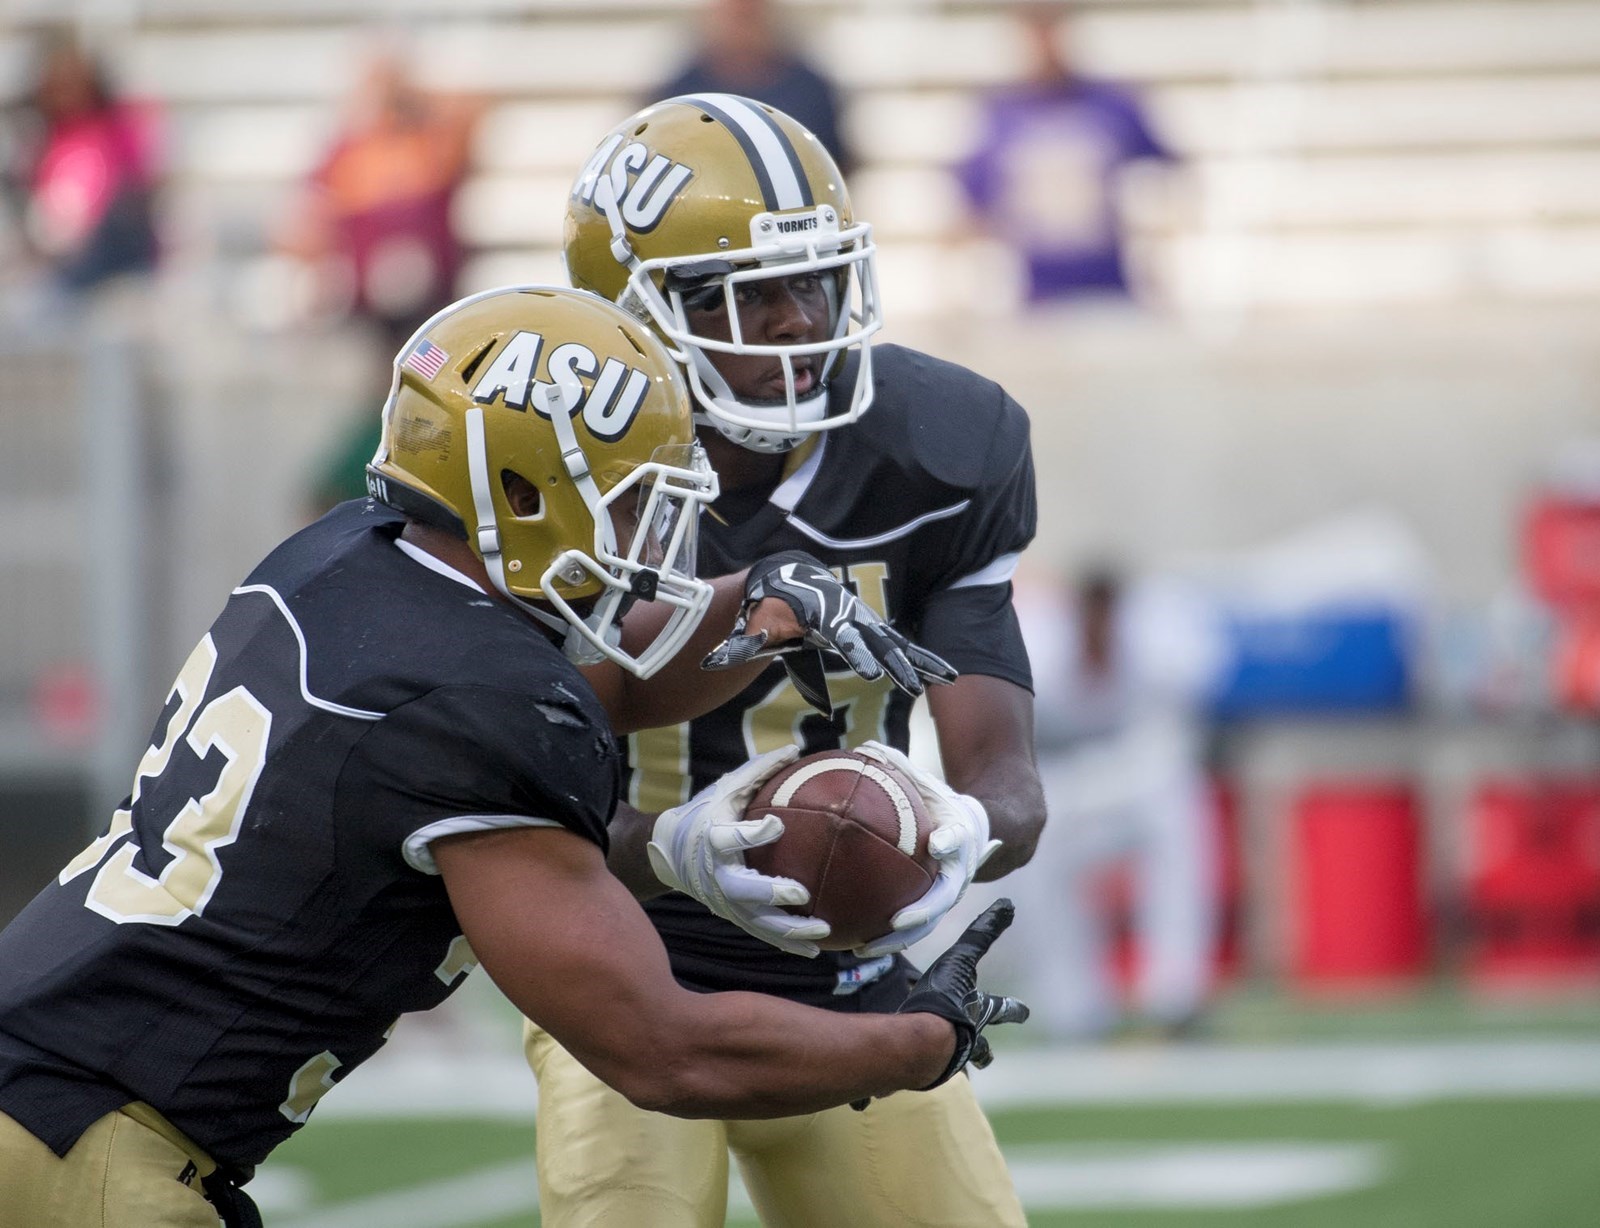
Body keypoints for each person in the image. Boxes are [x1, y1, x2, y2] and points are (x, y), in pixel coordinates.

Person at [0, 285, 1028, 1227]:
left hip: (46, 1077)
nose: (657, 538)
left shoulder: (342, 555)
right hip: (88, 1148)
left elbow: (607, 667)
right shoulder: (484, 704)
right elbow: (661, 1049)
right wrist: (919, 1038)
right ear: (525, 494)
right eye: (634, 499)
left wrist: (768, 599)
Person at [526, 94, 1046, 1227]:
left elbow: (1007, 780)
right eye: (749, 294)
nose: (797, 321)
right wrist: (672, 852)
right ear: (637, 312)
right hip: (622, 969)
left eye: (814, 280)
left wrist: (955, 831)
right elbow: (516, 804)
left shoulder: (940, 448)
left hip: (848, 973)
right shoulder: (553, 471)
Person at [1013, 563, 1229, 1040]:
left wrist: (1130, 652)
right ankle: (1073, 1008)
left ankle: (1176, 995)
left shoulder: (1162, 626)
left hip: (1139, 767)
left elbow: (1198, 690)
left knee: (1181, 814)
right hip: (1061, 773)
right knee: (1034, 856)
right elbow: (1018, 709)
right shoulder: (1038, 631)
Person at [954, 3, 1175, 304]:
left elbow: (1167, 177)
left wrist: (1156, 232)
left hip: (1111, 280)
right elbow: (972, 204)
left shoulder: (1112, 106)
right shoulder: (1001, 114)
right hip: (1038, 288)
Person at [3, 30, 164, 299]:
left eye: (71, 82)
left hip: (113, 260)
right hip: (56, 266)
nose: (62, 93)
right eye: (56, 84)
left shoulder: (116, 131)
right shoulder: (36, 135)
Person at [648, 0, 855, 173]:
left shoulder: (809, 88)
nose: (741, 29)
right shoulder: (681, 88)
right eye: (736, 16)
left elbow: (835, 163)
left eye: (748, 16)